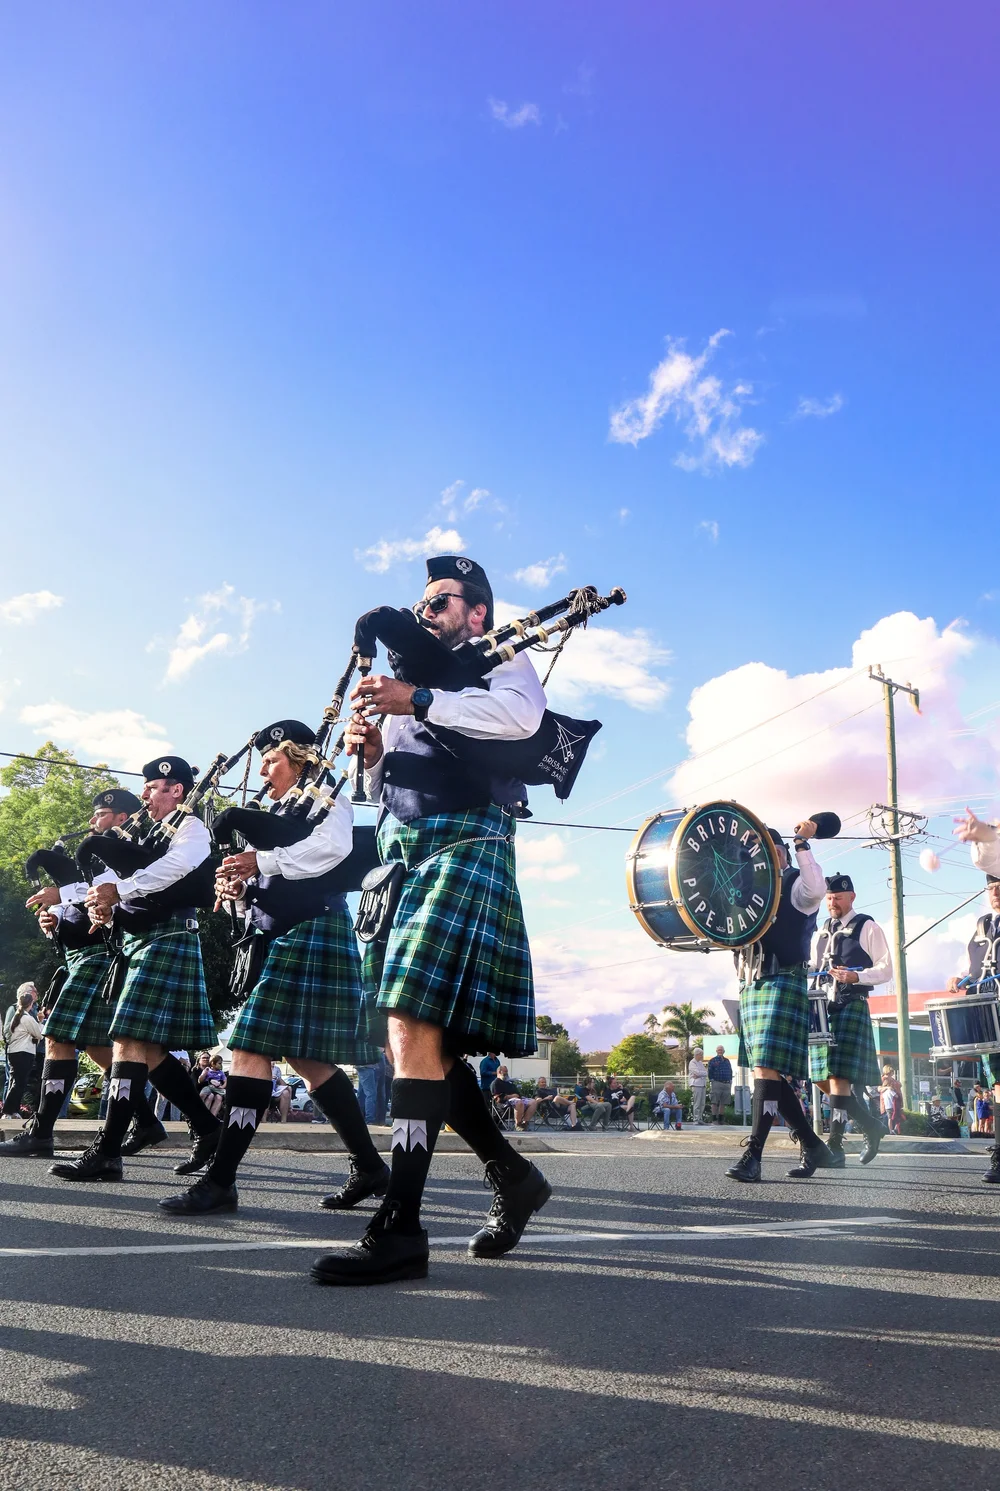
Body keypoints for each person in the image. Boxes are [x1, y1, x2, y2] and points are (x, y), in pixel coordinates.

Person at [312, 555, 551, 1286]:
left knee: (412, 1022)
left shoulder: (501, 659)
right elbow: (389, 785)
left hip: (465, 843)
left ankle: (402, 1228)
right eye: (422, 601)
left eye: (441, 599)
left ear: (476, 611)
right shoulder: (411, 684)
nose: (427, 610)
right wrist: (372, 752)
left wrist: (416, 699)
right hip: (402, 853)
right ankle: (512, 1175)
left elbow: (522, 719)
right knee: (422, 1046)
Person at [162, 721, 386, 1216]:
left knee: (248, 1047)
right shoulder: (279, 813)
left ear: (298, 760)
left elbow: (332, 850)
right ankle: (370, 1167)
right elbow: (267, 882)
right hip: (278, 934)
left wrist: (260, 863)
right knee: (310, 1063)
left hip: (313, 928)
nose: (263, 771)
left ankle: (221, 1180)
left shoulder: (326, 795)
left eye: (271, 761)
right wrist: (239, 889)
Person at [48, 756, 222, 1184]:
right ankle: (207, 1128)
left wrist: (120, 889)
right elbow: (112, 886)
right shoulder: (146, 834)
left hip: (169, 936)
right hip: (137, 941)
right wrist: (103, 907)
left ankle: (107, 1152)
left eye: (152, 787)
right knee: (149, 1052)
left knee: (126, 1041)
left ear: (176, 790)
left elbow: (175, 868)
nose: (144, 795)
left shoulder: (191, 828)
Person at [726, 818, 839, 1183]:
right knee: (768, 1071)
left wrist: (803, 843)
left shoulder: (796, 884)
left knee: (764, 1070)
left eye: (775, 850)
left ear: (785, 853)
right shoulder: (748, 890)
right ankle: (813, 1144)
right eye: (762, 852)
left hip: (784, 978)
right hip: (752, 982)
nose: (769, 857)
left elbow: (816, 888)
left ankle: (754, 1156)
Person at [807, 874, 891, 1167]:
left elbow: (886, 969)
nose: (833, 903)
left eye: (838, 898)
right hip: (822, 1008)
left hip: (850, 1004)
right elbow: (813, 965)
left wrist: (857, 976)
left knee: (839, 1079)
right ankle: (870, 1125)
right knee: (820, 1077)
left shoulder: (867, 926)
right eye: (829, 898)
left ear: (852, 897)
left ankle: (835, 1146)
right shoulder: (821, 931)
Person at [952, 813, 1000, 1178]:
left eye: (999, 884)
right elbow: (975, 964)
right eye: (991, 887)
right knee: (997, 1084)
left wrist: (985, 835)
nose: (995, 891)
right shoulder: (983, 924)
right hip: (989, 1013)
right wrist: (961, 978)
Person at [1, 989, 44, 1118]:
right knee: (19, 1083)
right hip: (24, 1053)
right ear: (30, 1004)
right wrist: (40, 1021)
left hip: (14, 1052)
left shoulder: (16, 1017)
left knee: (17, 1082)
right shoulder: (27, 1018)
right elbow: (39, 1034)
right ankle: (8, 1110)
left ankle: (13, 1110)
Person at [707, 1045, 733, 1121]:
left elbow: (730, 1071)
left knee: (723, 1102)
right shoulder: (712, 1060)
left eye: (721, 1050)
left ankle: (721, 1119)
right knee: (714, 1101)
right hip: (716, 1082)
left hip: (726, 1083)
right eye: (718, 1050)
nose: (720, 1051)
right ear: (716, 1051)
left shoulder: (727, 1060)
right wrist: (711, 1080)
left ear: (724, 1051)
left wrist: (730, 1080)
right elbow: (710, 1071)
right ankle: (714, 1119)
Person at [197, 1054, 227, 1119]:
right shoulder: (207, 1070)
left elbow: (225, 1081)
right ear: (213, 1063)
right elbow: (199, 1081)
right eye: (219, 1063)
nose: (221, 1065)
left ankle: (212, 1118)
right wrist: (204, 1073)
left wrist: (222, 1087)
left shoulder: (221, 1072)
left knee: (221, 1096)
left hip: (217, 1088)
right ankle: (199, 1109)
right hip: (209, 1087)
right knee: (203, 1094)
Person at [880, 1066, 903, 1135]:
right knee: (893, 1117)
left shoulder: (891, 1080)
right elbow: (879, 1089)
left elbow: (899, 1084)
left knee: (890, 1117)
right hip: (891, 1103)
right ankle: (891, 1130)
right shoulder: (884, 1079)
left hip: (890, 1103)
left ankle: (891, 1130)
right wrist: (888, 1088)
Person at [687, 1048, 708, 1125]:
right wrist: (701, 1074)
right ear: (697, 1054)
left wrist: (700, 1074)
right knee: (697, 1102)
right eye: (701, 1055)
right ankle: (695, 1119)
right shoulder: (692, 1062)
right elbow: (697, 1072)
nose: (702, 1056)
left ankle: (700, 1118)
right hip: (696, 1084)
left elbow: (706, 1072)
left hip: (702, 1084)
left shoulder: (700, 1063)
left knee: (702, 1103)